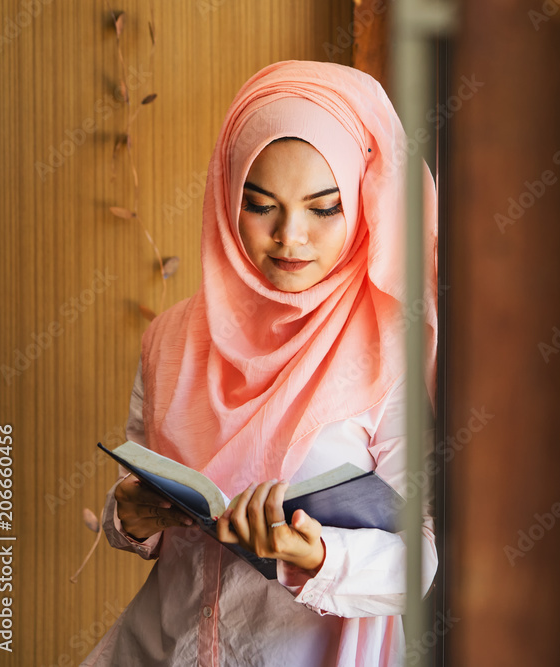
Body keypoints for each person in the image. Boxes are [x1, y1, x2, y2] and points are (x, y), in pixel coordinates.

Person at [82, 60, 439, 666]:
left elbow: (421, 561)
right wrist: (131, 517)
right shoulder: (171, 337)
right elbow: (141, 492)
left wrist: (318, 558)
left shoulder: (392, 350)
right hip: (163, 649)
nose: (289, 236)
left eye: (323, 208)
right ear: (227, 201)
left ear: (362, 204)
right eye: (260, 204)